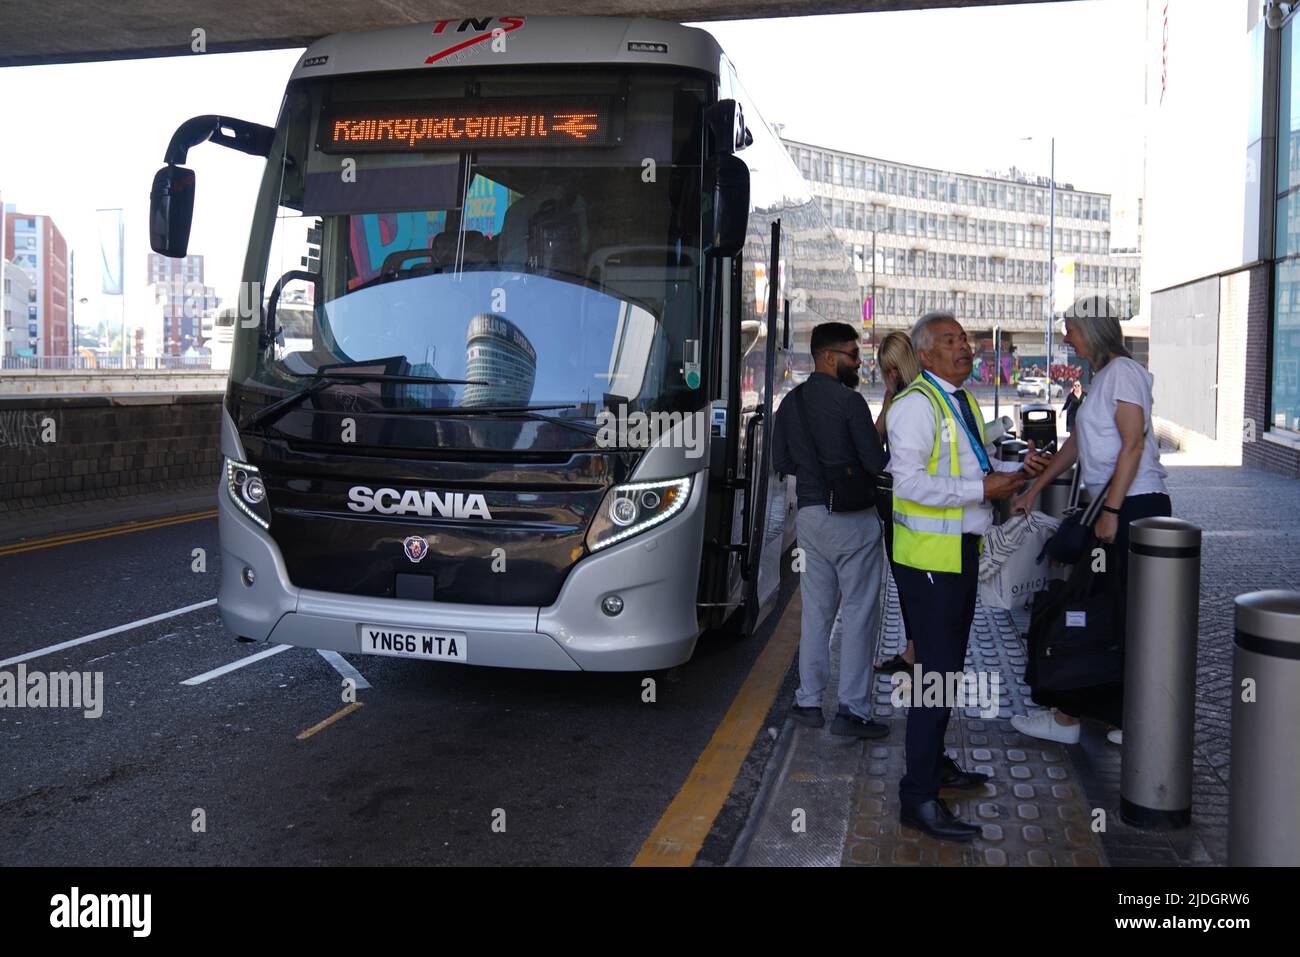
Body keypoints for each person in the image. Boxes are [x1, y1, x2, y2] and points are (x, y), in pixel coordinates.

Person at [887, 311, 1049, 841]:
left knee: (948, 670)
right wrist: (984, 491)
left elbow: (965, 466)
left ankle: (934, 768)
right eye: (951, 341)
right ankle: (918, 797)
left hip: (959, 552)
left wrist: (1010, 475)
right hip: (930, 560)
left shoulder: (960, 400)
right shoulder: (915, 406)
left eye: (966, 340)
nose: (965, 348)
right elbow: (908, 484)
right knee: (936, 676)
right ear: (926, 355)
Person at [1010, 296, 1171, 746]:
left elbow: (1133, 446)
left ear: (1094, 331)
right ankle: (1116, 713)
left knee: (1092, 607)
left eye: (1071, 329)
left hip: (1133, 507)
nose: (1066, 337)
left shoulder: (1123, 373)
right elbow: (1078, 444)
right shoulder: (1101, 378)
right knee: (1111, 610)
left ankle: (1069, 718)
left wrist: (1113, 511)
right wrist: (1033, 490)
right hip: (1115, 506)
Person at [772, 321, 890, 739]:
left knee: (817, 612)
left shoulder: (791, 403)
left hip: (810, 518)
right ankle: (852, 711)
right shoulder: (849, 402)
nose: (859, 363)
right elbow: (876, 464)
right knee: (859, 613)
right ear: (828, 357)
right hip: (853, 522)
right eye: (853, 355)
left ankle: (808, 702)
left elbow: (781, 461)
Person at [869, 331, 922, 676]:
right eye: (885, 370)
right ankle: (913, 649)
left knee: (913, 581)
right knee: (904, 581)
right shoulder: (898, 399)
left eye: (892, 368)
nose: (891, 376)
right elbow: (876, 444)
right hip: (899, 507)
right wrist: (887, 401)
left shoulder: (918, 399)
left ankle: (918, 651)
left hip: (918, 510)